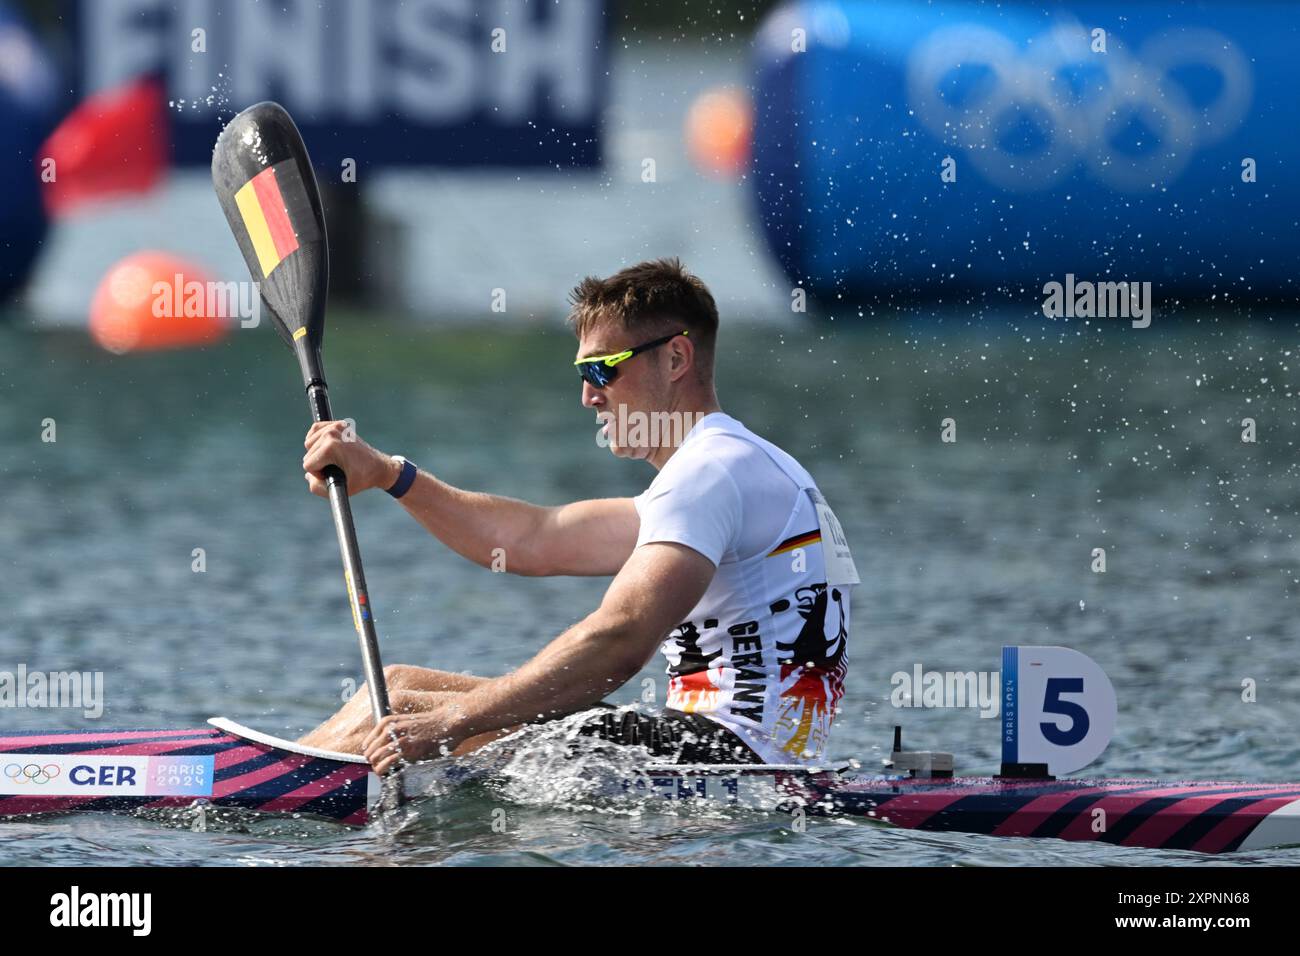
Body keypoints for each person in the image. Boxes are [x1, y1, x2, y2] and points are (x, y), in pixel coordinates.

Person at [297, 258, 857, 774]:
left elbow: (620, 640)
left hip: (734, 762)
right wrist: (389, 473)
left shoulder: (711, 472)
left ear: (677, 357)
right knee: (396, 685)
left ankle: (273, 790)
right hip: (731, 753)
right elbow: (529, 539)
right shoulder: (728, 469)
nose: (589, 396)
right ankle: (300, 782)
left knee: (408, 707)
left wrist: (447, 725)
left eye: (603, 370)